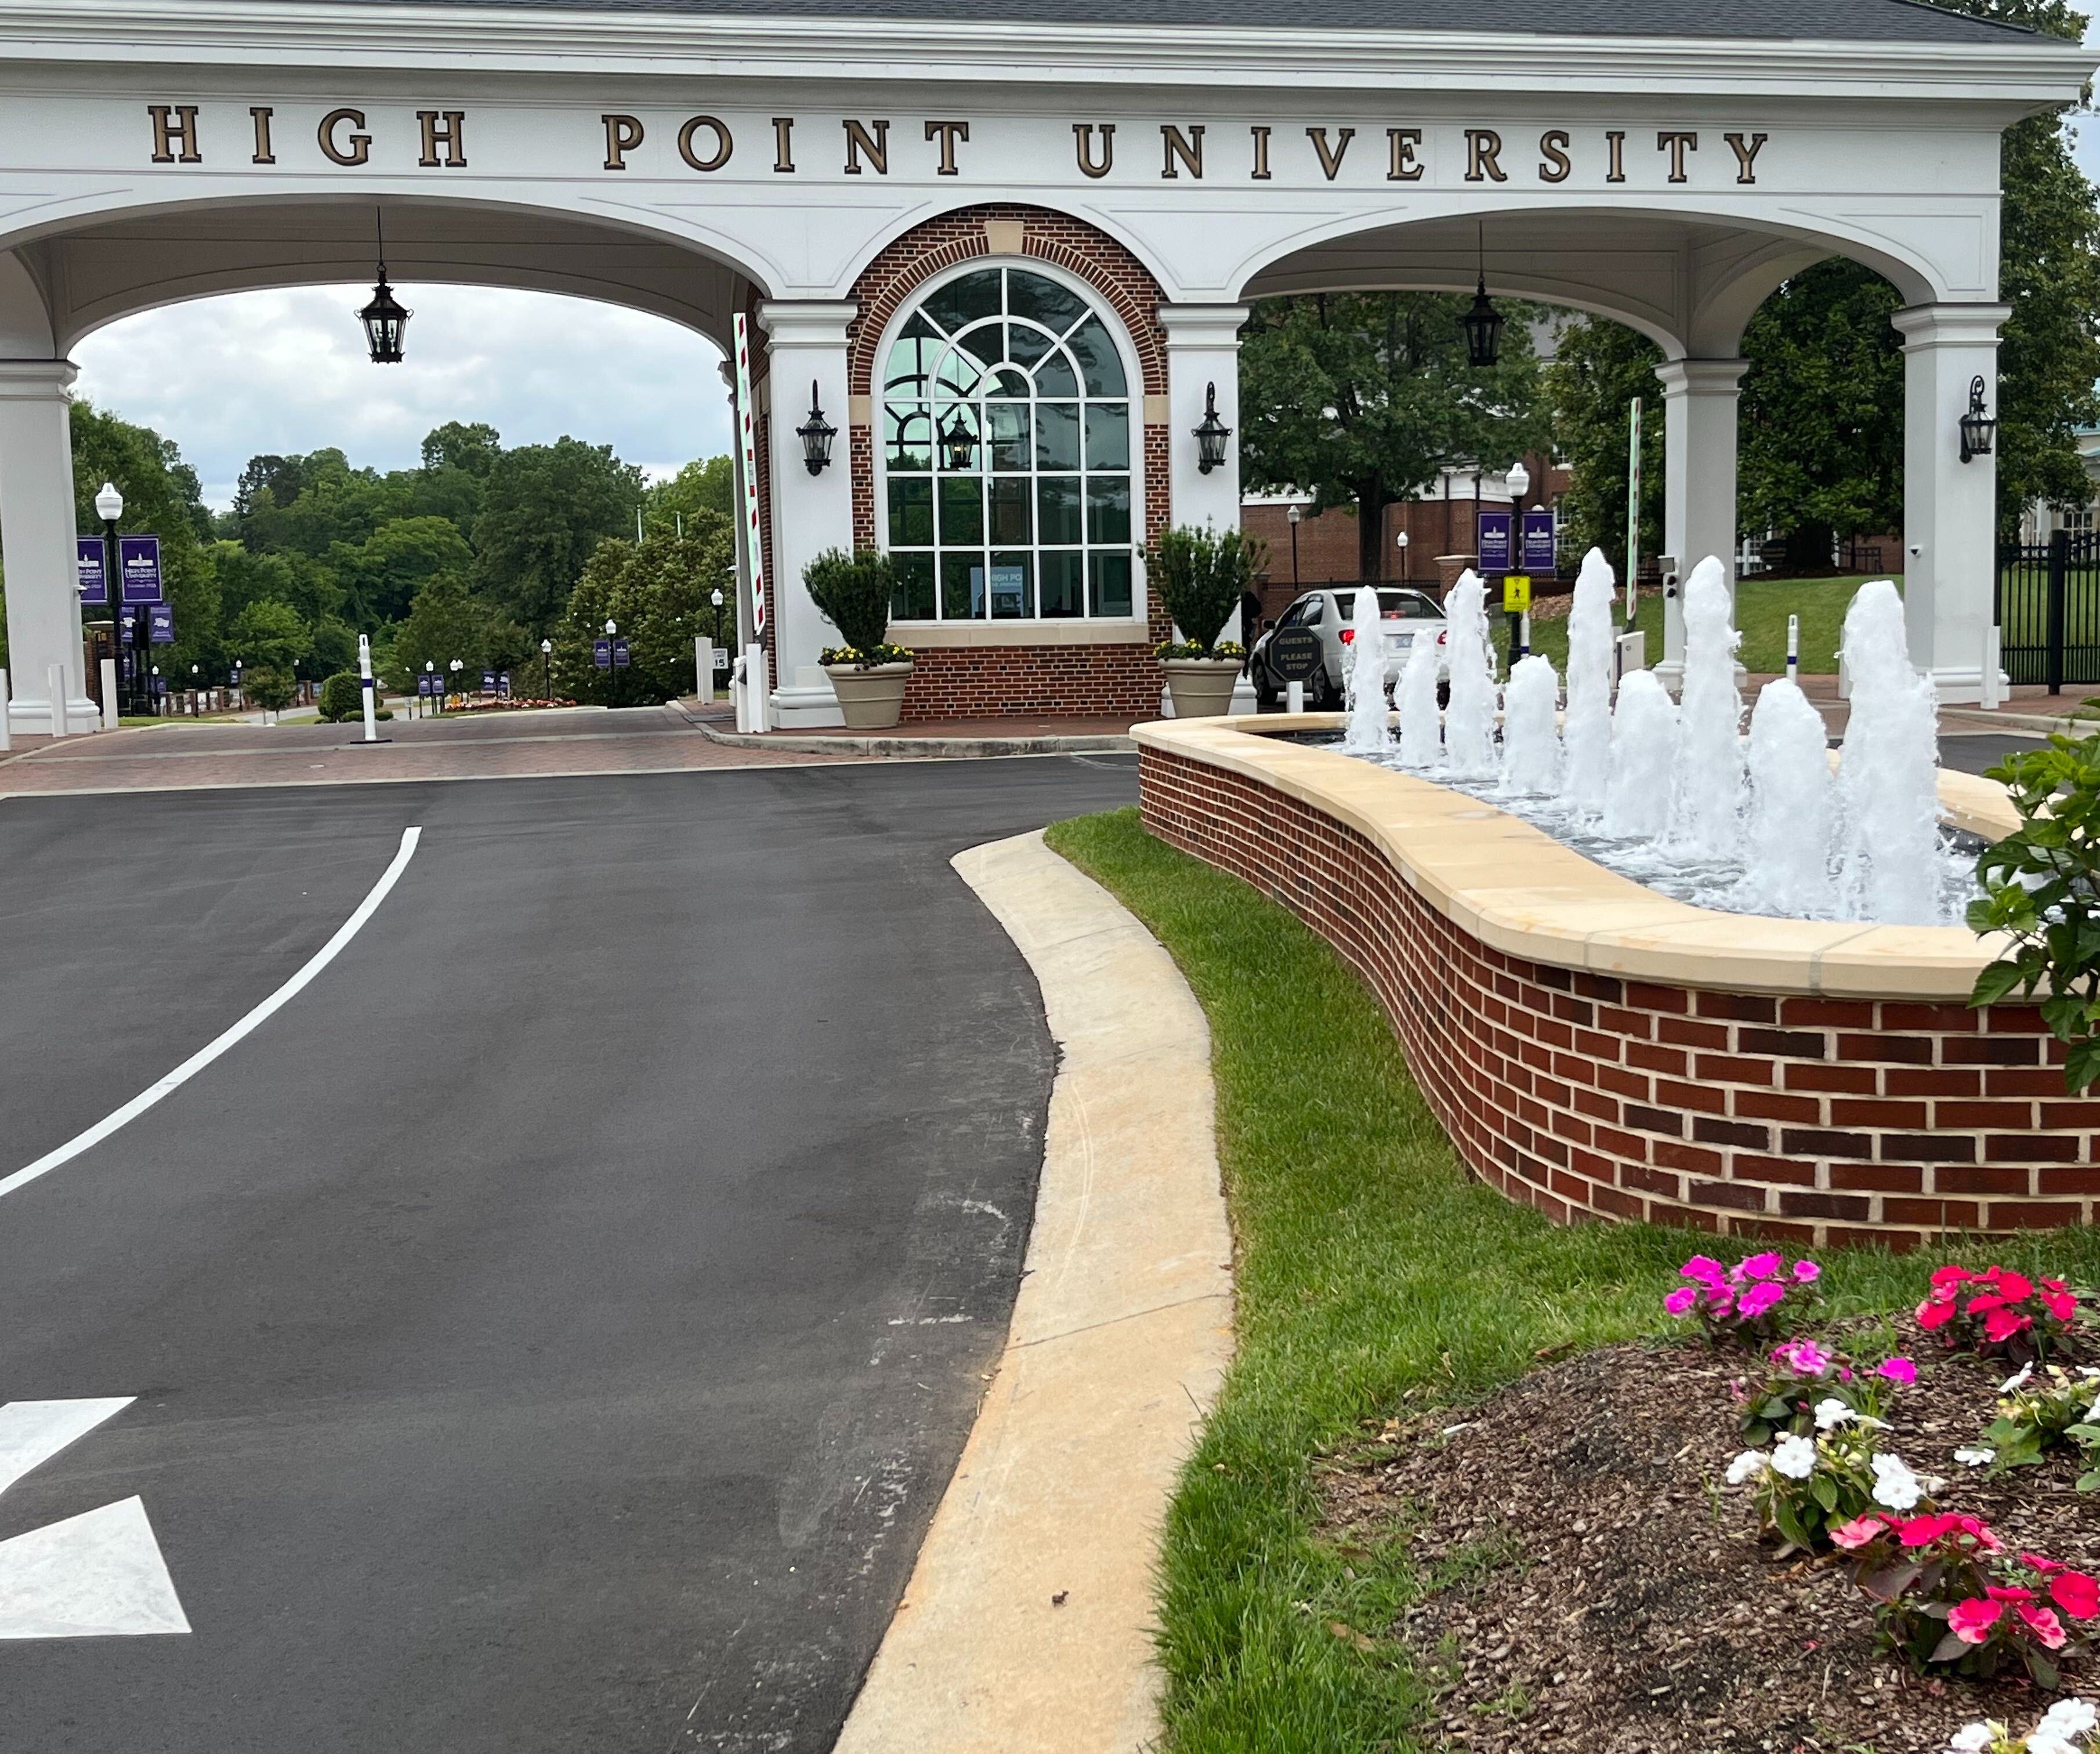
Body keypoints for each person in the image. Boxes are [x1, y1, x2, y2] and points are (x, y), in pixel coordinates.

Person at [1240, 588, 1263, 673]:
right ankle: (1244, 672)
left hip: (1244, 628)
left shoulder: (1246, 596)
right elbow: (1258, 611)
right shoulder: (1247, 595)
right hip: (1245, 629)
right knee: (1245, 653)